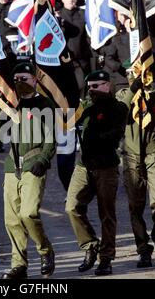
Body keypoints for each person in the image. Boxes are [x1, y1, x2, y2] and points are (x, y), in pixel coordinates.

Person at [65, 70, 129, 276]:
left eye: (95, 86)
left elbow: (116, 134)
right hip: (83, 165)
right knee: (72, 207)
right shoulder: (84, 107)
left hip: (106, 167)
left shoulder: (118, 108)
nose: (91, 90)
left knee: (107, 214)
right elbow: (67, 124)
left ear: (107, 85)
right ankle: (90, 245)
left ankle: (106, 258)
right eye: (89, 87)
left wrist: (95, 137)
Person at [116, 75, 155, 268]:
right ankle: (143, 249)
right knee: (135, 207)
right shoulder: (121, 95)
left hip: (153, 153)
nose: (139, 77)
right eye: (133, 74)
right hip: (131, 156)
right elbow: (120, 114)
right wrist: (133, 91)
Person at [1, 62, 56, 279]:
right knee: (12, 219)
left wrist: (43, 159)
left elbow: (51, 139)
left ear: (35, 80)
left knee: (28, 213)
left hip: (33, 165)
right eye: (16, 79)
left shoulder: (44, 104)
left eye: (24, 78)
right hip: (11, 166)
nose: (19, 83)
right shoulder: (10, 104)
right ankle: (19, 265)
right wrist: (0, 106)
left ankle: (45, 250)